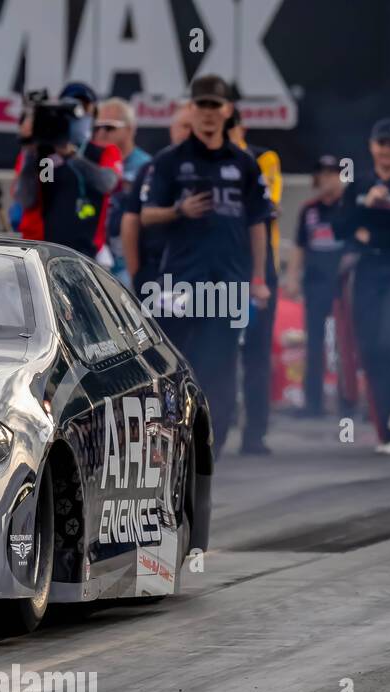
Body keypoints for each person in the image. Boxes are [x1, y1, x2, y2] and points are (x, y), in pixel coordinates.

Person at [140, 75, 273, 458]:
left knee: (221, 366)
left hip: (228, 285)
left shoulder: (245, 164)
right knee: (174, 365)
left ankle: (209, 447)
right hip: (178, 285)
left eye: (216, 106)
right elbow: (146, 215)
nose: (209, 114)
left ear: (227, 111)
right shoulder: (169, 161)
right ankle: (167, 442)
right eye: (202, 105)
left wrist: (259, 279)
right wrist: (178, 211)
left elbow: (258, 223)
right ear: (192, 109)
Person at [340, 117, 390, 454]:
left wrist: (373, 230)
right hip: (367, 269)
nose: (388, 151)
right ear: (372, 147)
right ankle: (384, 424)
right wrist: (368, 205)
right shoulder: (359, 183)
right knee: (371, 347)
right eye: (383, 144)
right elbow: (342, 226)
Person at [228, 107, 283, 454]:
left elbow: (267, 205)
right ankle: (217, 424)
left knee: (256, 353)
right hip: (224, 270)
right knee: (219, 350)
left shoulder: (262, 158)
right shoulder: (203, 163)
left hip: (259, 269)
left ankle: (255, 433)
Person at [14, 82, 122, 259]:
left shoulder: (103, 152)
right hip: (42, 251)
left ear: (94, 114)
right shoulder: (42, 154)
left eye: (84, 107)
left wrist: (72, 156)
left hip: (87, 252)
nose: (78, 114)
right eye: (70, 107)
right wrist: (29, 150)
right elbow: (26, 199)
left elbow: (106, 183)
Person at [285, 155, 348, 418]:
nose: (326, 178)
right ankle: (313, 403)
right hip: (315, 284)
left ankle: (350, 400)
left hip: (344, 285)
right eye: (322, 173)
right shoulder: (309, 209)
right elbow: (299, 246)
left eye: (332, 173)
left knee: (347, 342)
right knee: (314, 343)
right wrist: (291, 277)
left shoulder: (350, 207)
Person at [121, 105, 191, 298]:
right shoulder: (152, 167)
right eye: (185, 126)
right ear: (172, 129)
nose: (189, 133)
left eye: (194, 127)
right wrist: (136, 274)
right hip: (157, 272)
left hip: (200, 275)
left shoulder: (213, 170)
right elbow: (131, 220)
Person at [94, 97, 151, 285]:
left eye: (109, 127)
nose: (101, 133)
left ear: (129, 129)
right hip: (94, 257)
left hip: (130, 262)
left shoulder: (146, 166)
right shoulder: (90, 162)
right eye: (97, 127)